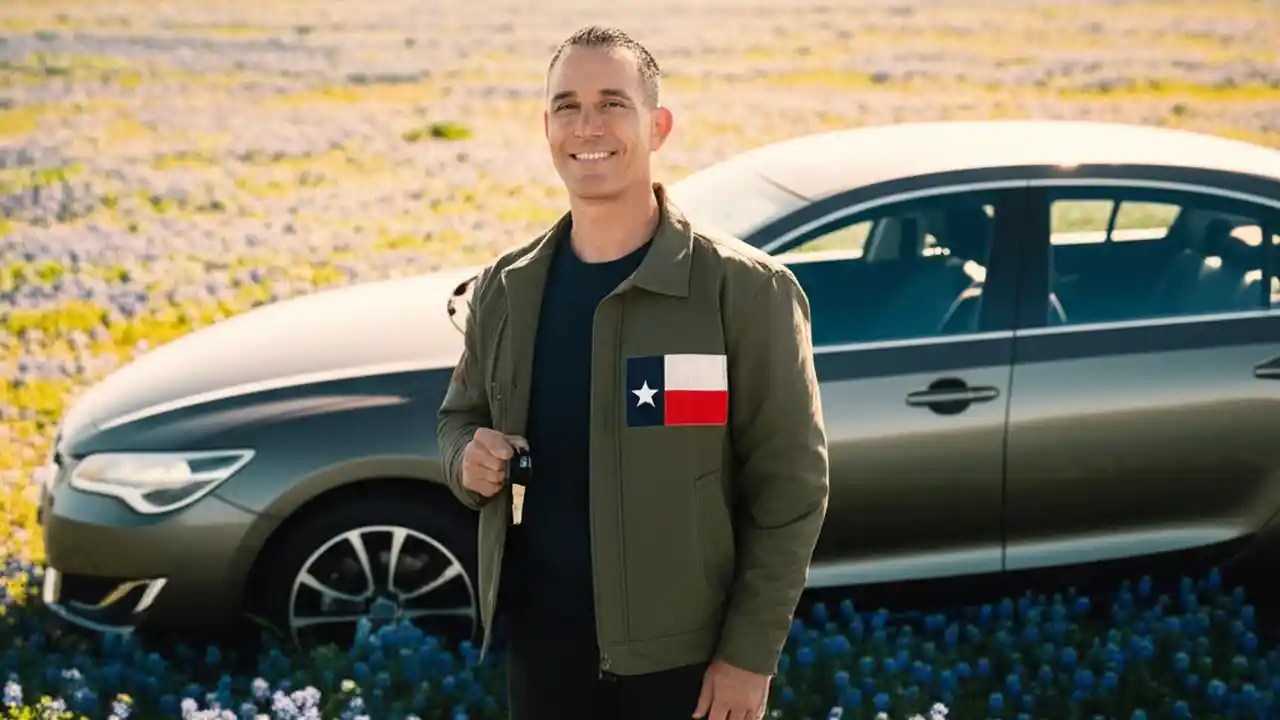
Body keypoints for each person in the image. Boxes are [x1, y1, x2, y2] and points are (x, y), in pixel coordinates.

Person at [436, 24, 829, 720]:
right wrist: (469, 459)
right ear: (546, 128)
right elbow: (458, 419)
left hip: (685, 667)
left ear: (658, 125)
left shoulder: (743, 290)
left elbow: (791, 490)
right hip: (543, 655)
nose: (587, 126)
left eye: (612, 103)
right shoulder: (507, 287)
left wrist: (749, 656)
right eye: (567, 106)